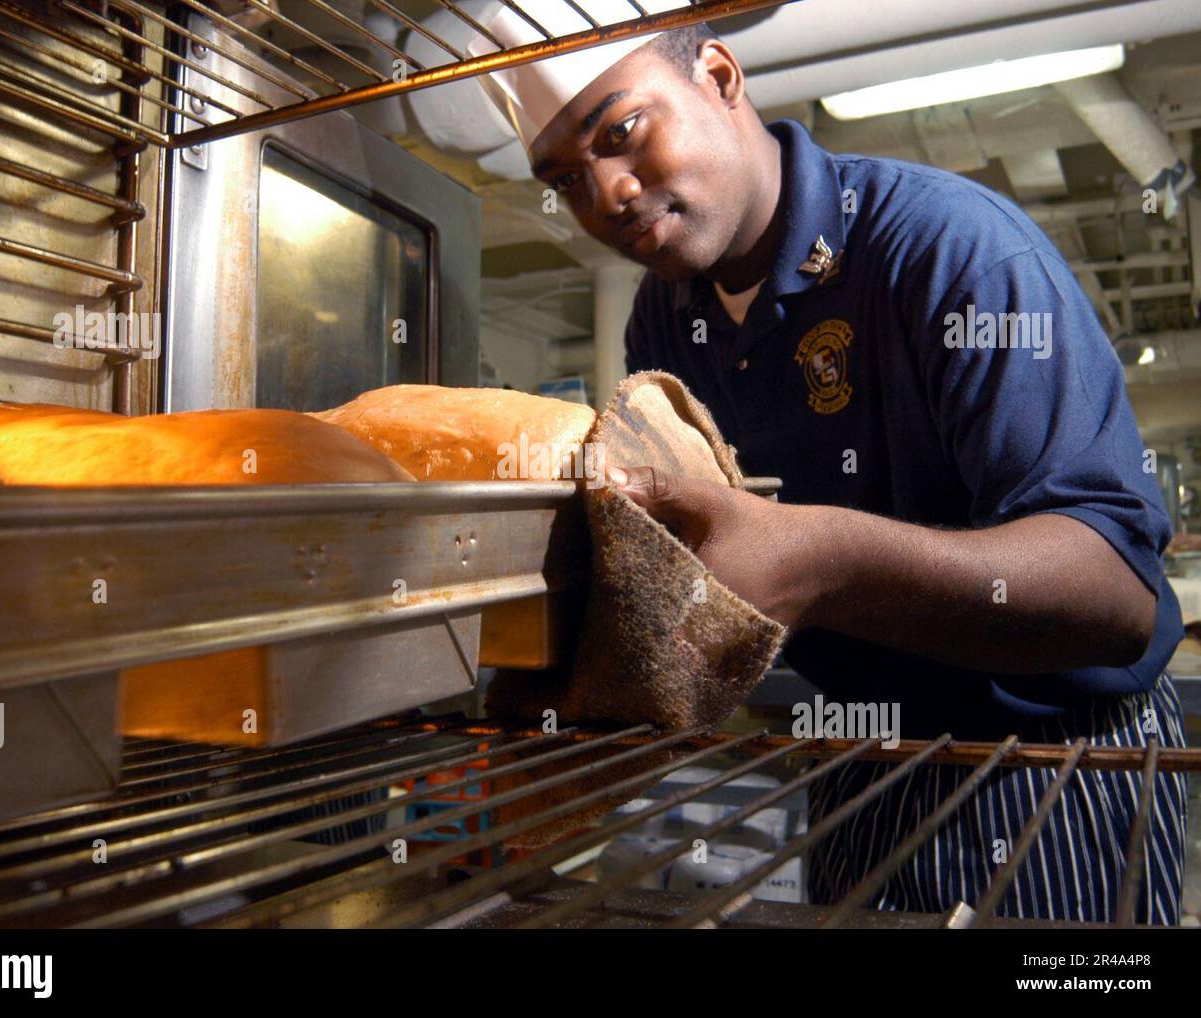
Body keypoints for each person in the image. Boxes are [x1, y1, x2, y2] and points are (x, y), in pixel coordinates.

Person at [472, 6, 1190, 923]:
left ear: (720, 78)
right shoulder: (665, 315)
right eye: (565, 178)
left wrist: (816, 561)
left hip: (1051, 759)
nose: (605, 191)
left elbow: (1114, 595)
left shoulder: (949, 252)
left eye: (620, 132)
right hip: (859, 754)